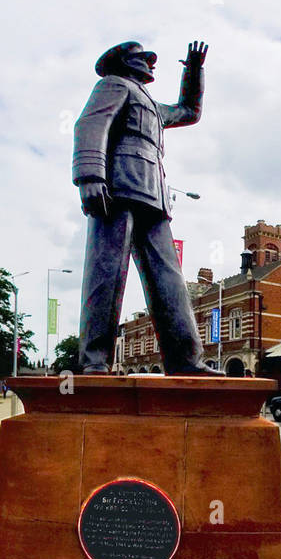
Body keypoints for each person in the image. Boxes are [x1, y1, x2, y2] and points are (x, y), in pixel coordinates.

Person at [74, 39, 214, 375]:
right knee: (106, 274)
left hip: (153, 192)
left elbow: (189, 112)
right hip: (116, 189)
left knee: (170, 279)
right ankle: (94, 360)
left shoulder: (151, 103)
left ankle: (185, 360)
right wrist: (90, 176)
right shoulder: (113, 85)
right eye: (143, 58)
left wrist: (193, 71)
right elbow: (89, 126)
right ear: (123, 62)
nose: (152, 62)